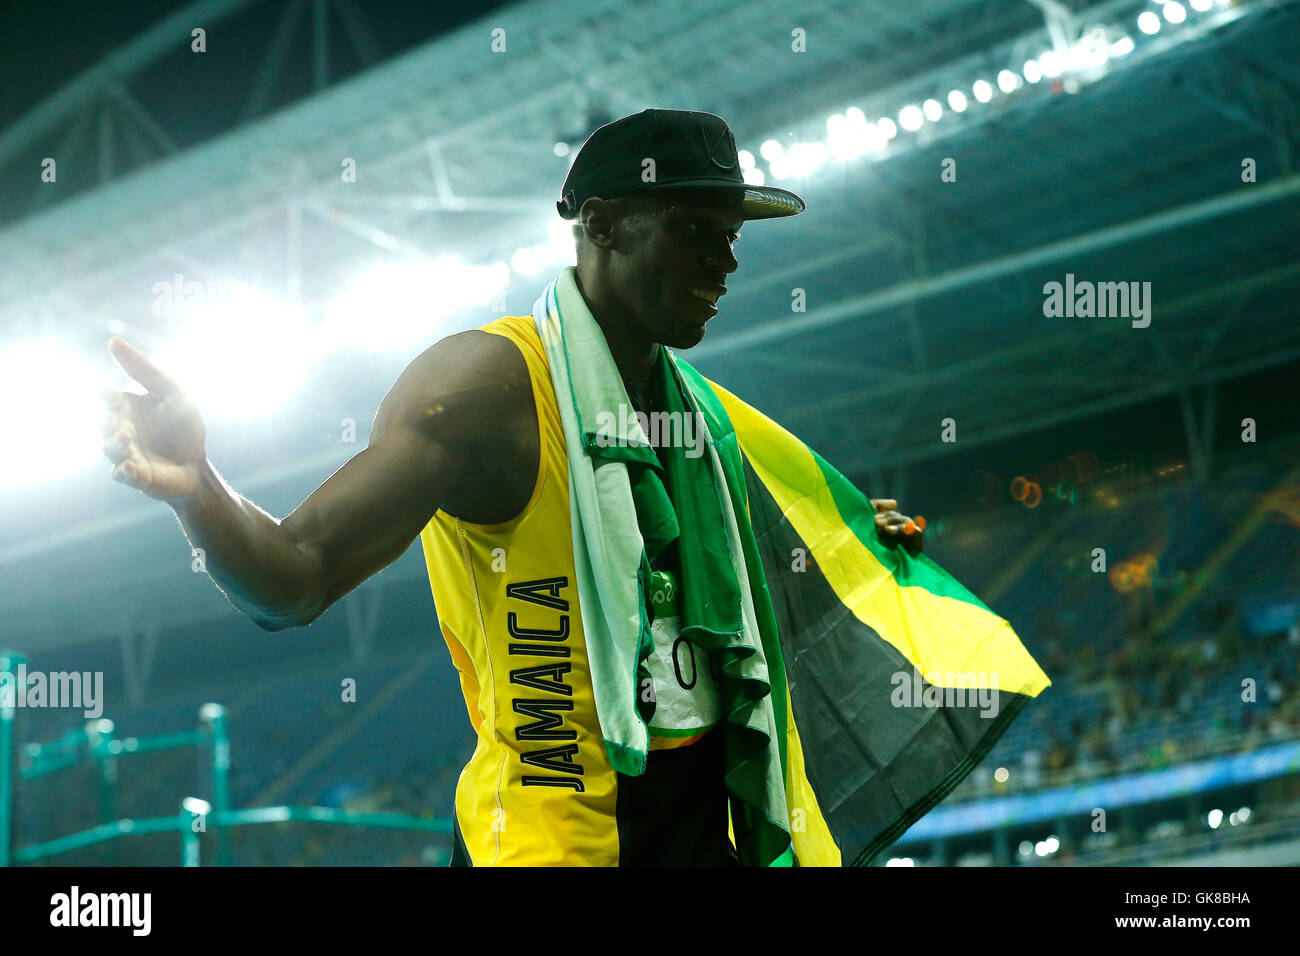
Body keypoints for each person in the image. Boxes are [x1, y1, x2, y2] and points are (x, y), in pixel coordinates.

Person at [103, 109, 1040, 867]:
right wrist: (198, 486)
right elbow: (295, 577)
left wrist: (839, 540)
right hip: (556, 817)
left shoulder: (700, 418)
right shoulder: (484, 391)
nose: (727, 262)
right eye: (693, 231)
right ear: (600, 223)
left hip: (700, 819)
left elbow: (746, 553)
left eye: (730, 235)